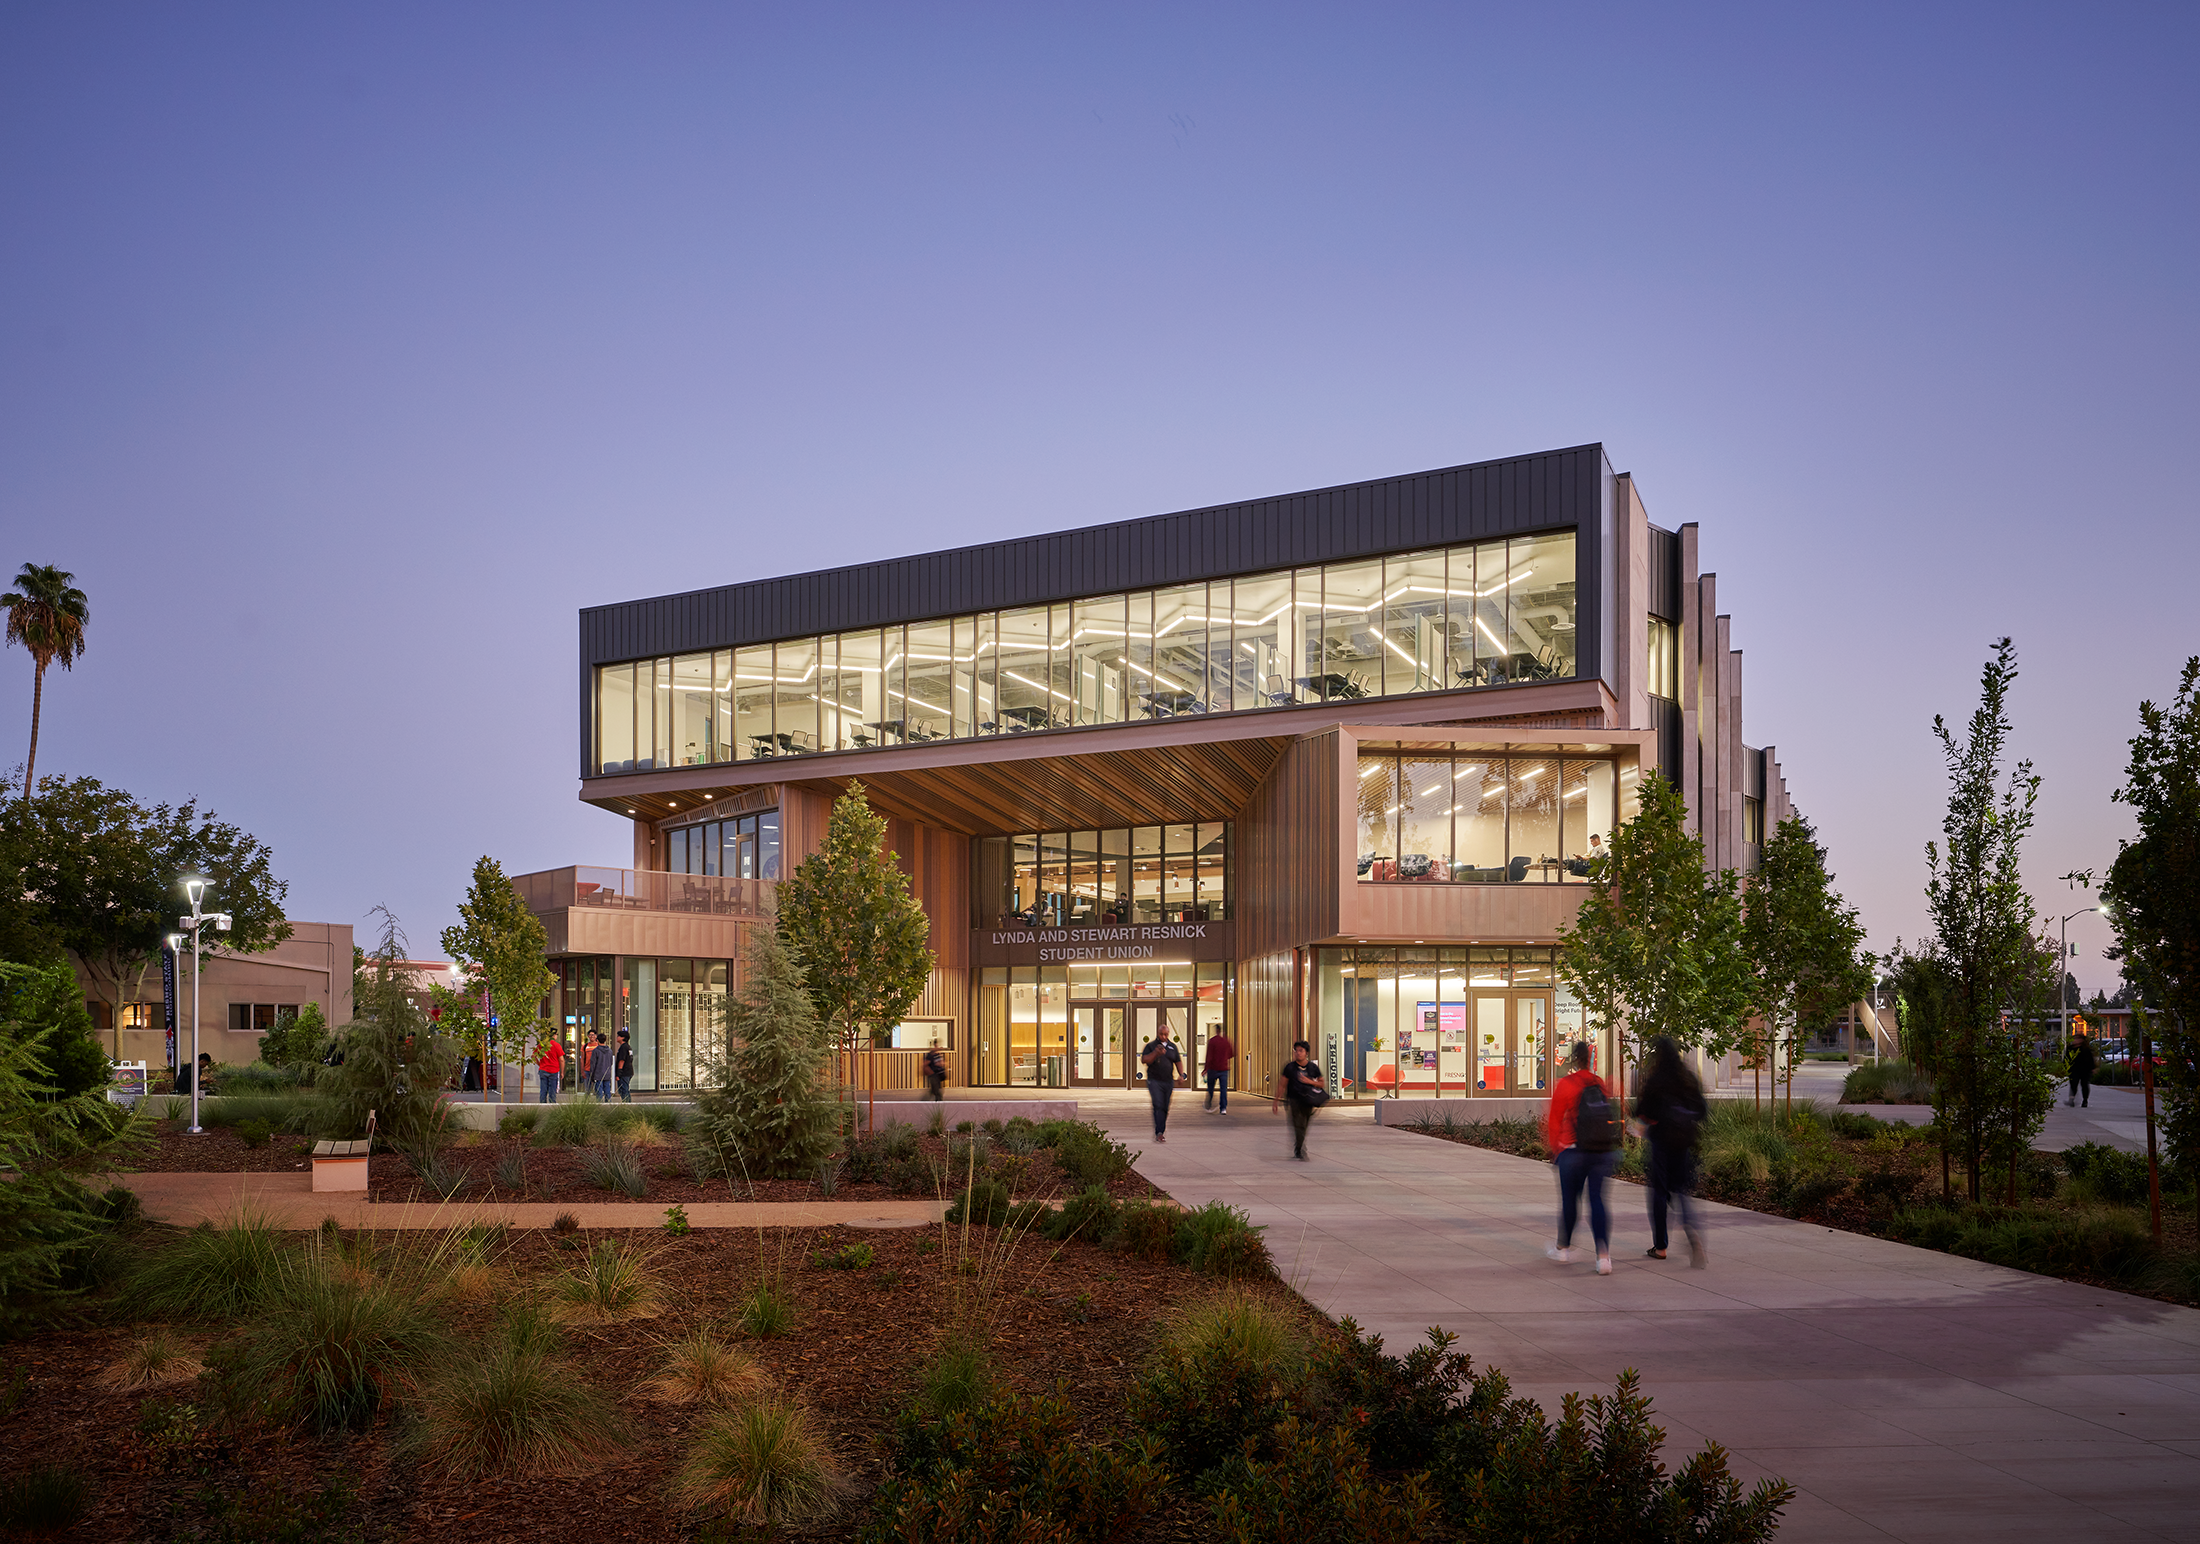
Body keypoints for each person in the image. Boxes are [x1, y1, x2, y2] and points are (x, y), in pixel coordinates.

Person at [1545, 1040, 1620, 1275]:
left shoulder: (1566, 1084)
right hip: (1600, 1151)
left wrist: (1555, 1149)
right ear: (1589, 1059)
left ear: (1573, 1060)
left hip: (1572, 1150)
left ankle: (1563, 1248)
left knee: (1570, 1200)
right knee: (1597, 1201)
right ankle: (1604, 1257)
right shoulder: (1598, 1083)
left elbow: (1555, 1119)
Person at [1634, 1035, 1708, 1267]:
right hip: (1683, 1143)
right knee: (1680, 1191)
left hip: (1660, 1143)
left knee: (1658, 1193)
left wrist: (1650, 1121)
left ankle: (1661, 1246)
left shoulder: (1656, 1080)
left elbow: (1641, 1111)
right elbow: (1702, 1110)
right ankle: (1693, 1237)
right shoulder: (1687, 1079)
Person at [1274, 1039, 1325, 1159]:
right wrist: (1276, 1101)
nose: (1298, 1053)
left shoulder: (1312, 1068)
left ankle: (1299, 1145)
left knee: (1304, 1124)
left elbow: (1322, 1084)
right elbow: (1282, 1084)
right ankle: (1300, 1149)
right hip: (1294, 1100)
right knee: (1298, 1124)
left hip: (1308, 1100)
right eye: (1296, 1051)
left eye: (1301, 1051)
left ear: (1306, 1053)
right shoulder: (1290, 1067)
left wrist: (1309, 1081)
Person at [1139, 1021, 1184, 1142]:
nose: (1163, 1036)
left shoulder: (1172, 1047)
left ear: (1168, 1034)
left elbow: (1178, 1061)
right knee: (1158, 1104)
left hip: (1168, 1081)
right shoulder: (1151, 1046)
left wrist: (1181, 1075)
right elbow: (1144, 1060)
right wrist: (1155, 1053)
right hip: (1154, 1081)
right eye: (1161, 1034)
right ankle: (1159, 1132)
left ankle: (1161, 1129)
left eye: (1165, 1034)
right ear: (1158, 1033)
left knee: (1165, 1106)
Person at [1203, 1026, 1237, 1112]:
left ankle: (1208, 1104)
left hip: (1213, 1068)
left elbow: (1209, 1056)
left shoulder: (1212, 1041)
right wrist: (1224, 1058)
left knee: (1210, 1088)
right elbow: (1232, 1053)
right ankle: (1223, 1108)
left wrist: (1205, 1068)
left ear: (1216, 1030)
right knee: (1223, 1089)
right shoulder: (1226, 1041)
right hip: (1224, 1068)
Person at [2067, 1034, 2097, 1108]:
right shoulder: (2070, 1048)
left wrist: (2092, 1068)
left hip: (2085, 1070)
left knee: (2084, 1085)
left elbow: (2090, 1060)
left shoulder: (2085, 1049)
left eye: (2077, 1039)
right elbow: (2066, 1058)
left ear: (2082, 1040)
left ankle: (2085, 1100)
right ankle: (2071, 1099)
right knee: (2073, 1084)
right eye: (2074, 1038)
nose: (2075, 1040)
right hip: (2074, 1069)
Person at [536, 1035, 564, 1104]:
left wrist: (540, 1064)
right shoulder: (557, 1045)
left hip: (543, 1069)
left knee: (543, 1090)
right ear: (554, 1036)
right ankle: (552, 1106)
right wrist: (562, 1072)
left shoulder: (541, 1045)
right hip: (554, 1070)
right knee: (552, 1091)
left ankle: (542, 1106)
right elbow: (561, 1060)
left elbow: (534, 1056)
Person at [586, 1032, 613, 1100]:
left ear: (597, 1040)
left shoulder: (596, 1051)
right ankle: (608, 1104)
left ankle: (599, 1105)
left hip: (598, 1074)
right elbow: (611, 1062)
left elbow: (593, 1064)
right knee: (607, 1091)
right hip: (607, 1074)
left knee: (599, 1092)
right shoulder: (609, 1051)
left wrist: (592, 1076)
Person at [613, 1030, 634, 1103]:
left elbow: (622, 1060)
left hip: (624, 1072)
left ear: (623, 1038)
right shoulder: (628, 1047)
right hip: (629, 1071)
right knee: (625, 1088)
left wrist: (619, 1073)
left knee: (623, 1089)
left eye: (618, 1036)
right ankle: (627, 1102)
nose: (617, 1037)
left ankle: (627, 1103)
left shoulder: (623, 1048)